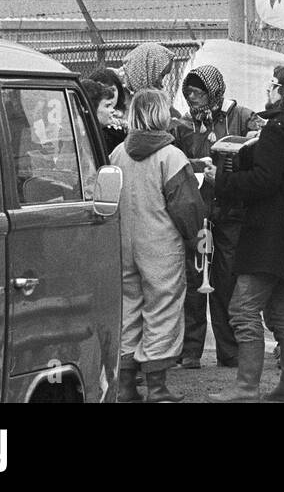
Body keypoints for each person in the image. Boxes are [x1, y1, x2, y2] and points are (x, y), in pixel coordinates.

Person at [209, 66, 284, 403]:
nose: (268, 91)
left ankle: (246, 386)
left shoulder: (276, 130)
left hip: (267, 236)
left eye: (273, 86)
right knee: (282, 313)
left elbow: (264, 180)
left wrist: (223, 180)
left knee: (243, 310)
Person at [112, 90, 192, 403]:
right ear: (162, 115)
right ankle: (157, 388)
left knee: (128, 309)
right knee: (162, 308)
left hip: (123, 242)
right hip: (160, 244)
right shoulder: (171, 156)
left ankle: (125, 387)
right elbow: (187, 207)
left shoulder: (117, 154)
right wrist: (194, 234)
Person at [174, 66, 256, 369]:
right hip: (197, 213)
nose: (194, 98)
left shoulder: (241, 116)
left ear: (214, 91)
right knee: (195, 278)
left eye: (199, 92)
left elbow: (259, 149)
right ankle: (190, 350)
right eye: (189, 93)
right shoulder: (184, 125)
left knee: (226, 278)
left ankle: (229, 349)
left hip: (231, 210)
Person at [80, 77, 127, 153]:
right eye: (107, 106)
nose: (112, 110)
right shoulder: (89, 139)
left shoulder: (110, 134)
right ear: (91, 109)